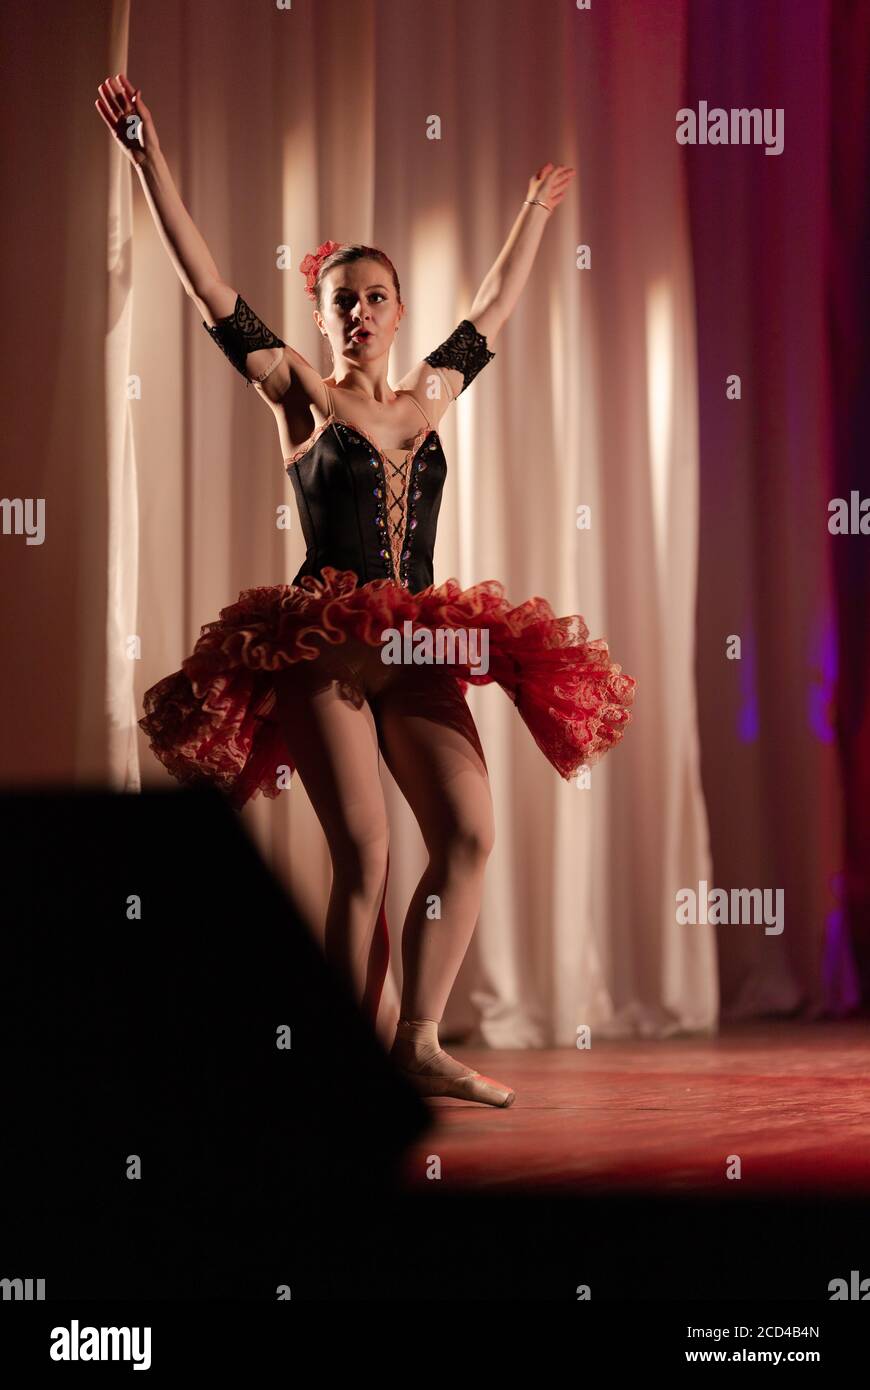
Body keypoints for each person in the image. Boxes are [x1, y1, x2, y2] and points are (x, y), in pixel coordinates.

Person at [96, 72, 637, 1109]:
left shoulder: (428, 397)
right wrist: (146, 161)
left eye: (375, 297)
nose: (358, 312)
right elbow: (210, 289)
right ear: (322, 313)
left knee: (470, 834)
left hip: (423, 643)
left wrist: (529, 213)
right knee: (368, 853)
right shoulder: (300, 394)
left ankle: (417, 1038)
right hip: (325, 647)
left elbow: (492, 308)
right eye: (341, 299)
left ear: (397, 314)